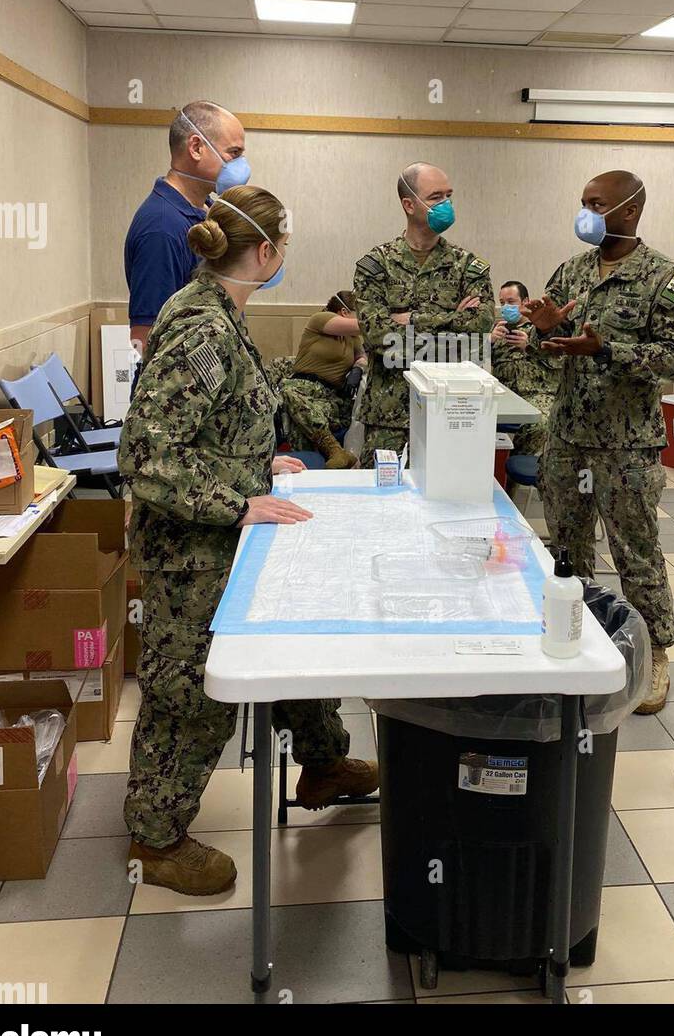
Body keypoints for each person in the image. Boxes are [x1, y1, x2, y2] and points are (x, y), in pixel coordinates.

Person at [119, 185, 377, 896]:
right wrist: (237, 497)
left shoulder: (220, 310)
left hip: (227, 529)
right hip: (192, 550)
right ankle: (155, 835)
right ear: (264, 250)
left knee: (291, 645)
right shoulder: (201, 325)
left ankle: (322, 761)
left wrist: (259, 461)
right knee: (189, 694)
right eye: (283, 244)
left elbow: (215, 420)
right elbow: (147, 455)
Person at [524, 171, 674, 716]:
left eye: (595, 204)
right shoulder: (572, 270)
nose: (585, 213)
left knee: (636, 553)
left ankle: (656, 655)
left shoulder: (666, 280)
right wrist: (544, 330)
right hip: (568, 437)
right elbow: (542, 347)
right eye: (582, 203)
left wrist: (606, 350)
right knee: (568, 547)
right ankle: (578, 637)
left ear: (629, 211)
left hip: (626, 448)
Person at [353, 162, 495, 467]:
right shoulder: (376, 265)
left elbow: (478, 329)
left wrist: (410, 319)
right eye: (435, 197)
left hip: (450, 409)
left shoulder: (467, 266)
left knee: (447, 498)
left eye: (449, 195)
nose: (446, 205)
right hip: (388, 413)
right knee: (383, 502)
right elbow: (379, 337)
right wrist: (451, 319)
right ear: (409, 205)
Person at [124, 101, 250, 359]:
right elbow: (146, 337)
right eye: (234, 153)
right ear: (196, 147)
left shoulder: (208, 210)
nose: (242, 166)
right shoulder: (161, 227)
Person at [280, 290, 365, 468]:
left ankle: (334, 457)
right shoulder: (320, 319)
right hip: (303, 387)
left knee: (305, 423)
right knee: (289, 395)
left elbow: (361, 356)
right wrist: (388, 320)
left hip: (332, 396)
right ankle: (334, 451)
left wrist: (357, 367)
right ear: (344, 312)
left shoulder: (352, 337)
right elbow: (363, 326)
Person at [490, 280, 561, 456]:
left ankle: (518, 468)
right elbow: (476, 363)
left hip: (538, 392)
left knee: (540, 424)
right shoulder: (498, 330)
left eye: (511, 302)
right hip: (503, 394)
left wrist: (530, 346)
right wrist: (489, 342)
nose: (506, 307)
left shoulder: (542, 329)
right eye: (502, 302)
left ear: (525, 301)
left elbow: (559, 361)